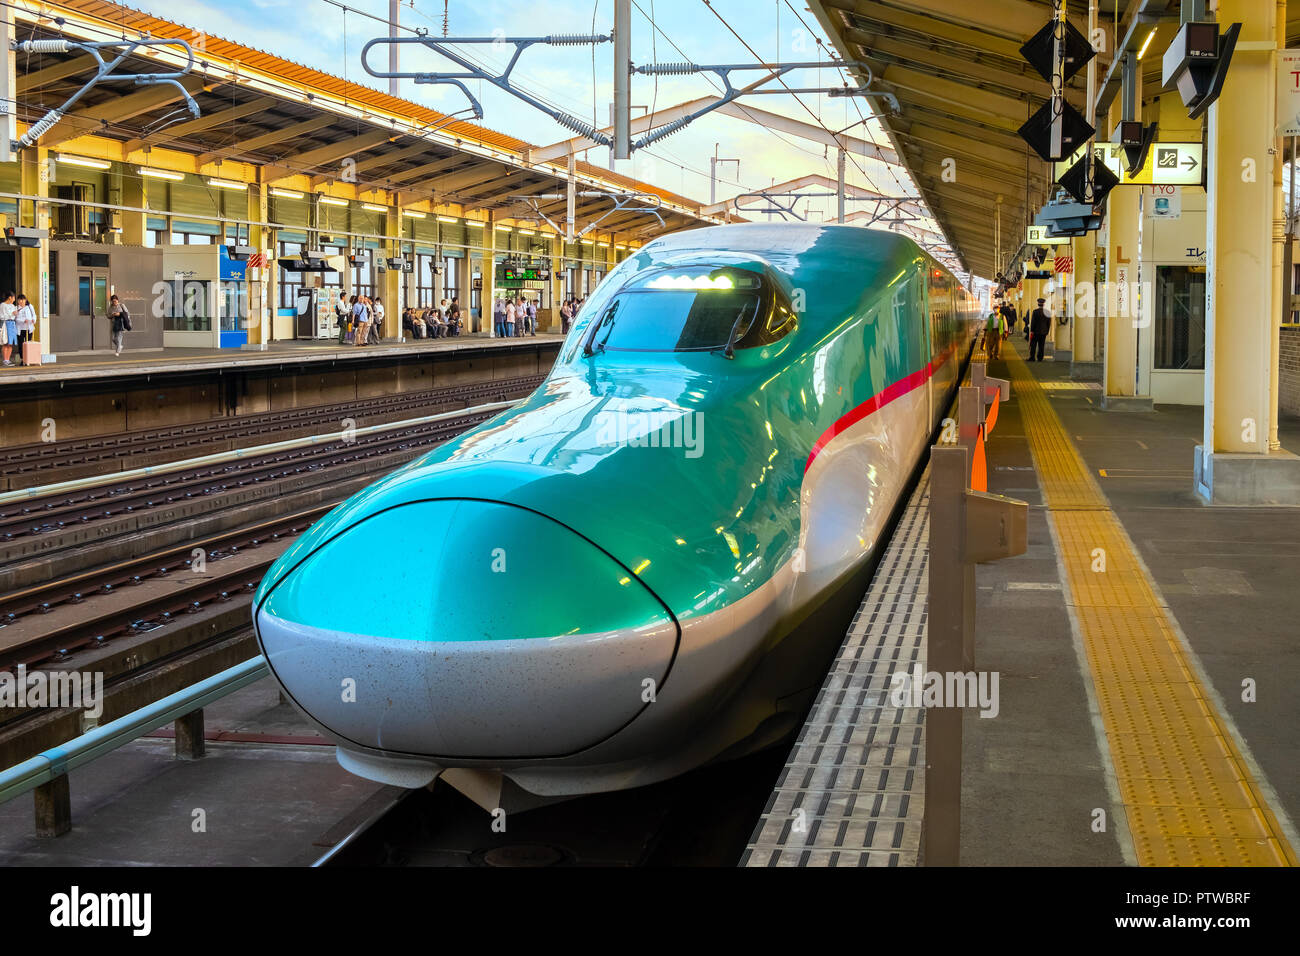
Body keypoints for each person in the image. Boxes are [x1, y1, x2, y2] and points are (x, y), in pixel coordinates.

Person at [14, 293, 36, 365]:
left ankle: (28, 359)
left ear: (25, 300)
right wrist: (23, 320)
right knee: (21, 345)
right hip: (20, 329)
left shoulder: (30, 306)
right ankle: (22, 359)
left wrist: (33, 320)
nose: (21, 301)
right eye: (19, 300)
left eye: (22, 300)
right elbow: (16, 319)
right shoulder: (16, 308)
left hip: (28, 328)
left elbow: (34, 315)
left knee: (28, 344)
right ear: (18, 301)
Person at [1029, 297, 1051, 362]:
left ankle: (1032, 357)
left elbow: (1033, 322)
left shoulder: (1035, 312)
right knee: (1041, 345)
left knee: (1033, 345)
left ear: (1038, 304)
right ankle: (1040, 358)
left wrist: (1032, 331)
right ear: (1044, 304)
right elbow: (1048, 323)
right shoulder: (1047, 312)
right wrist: (1047, 331)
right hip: (1043, 332)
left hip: (1036, 331)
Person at [0, 291, 15, 367]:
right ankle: (5, 360)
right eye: (13, 297)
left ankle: (8, 359)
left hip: (12, 324)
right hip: (5, 324)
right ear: (10, 297)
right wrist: (12, 314)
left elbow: (13, 316)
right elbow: (2, 316)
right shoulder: (2, 305)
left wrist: (13, 315)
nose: (14, 299)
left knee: (10, 343)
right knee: (5, 342)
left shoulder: (12, 306)